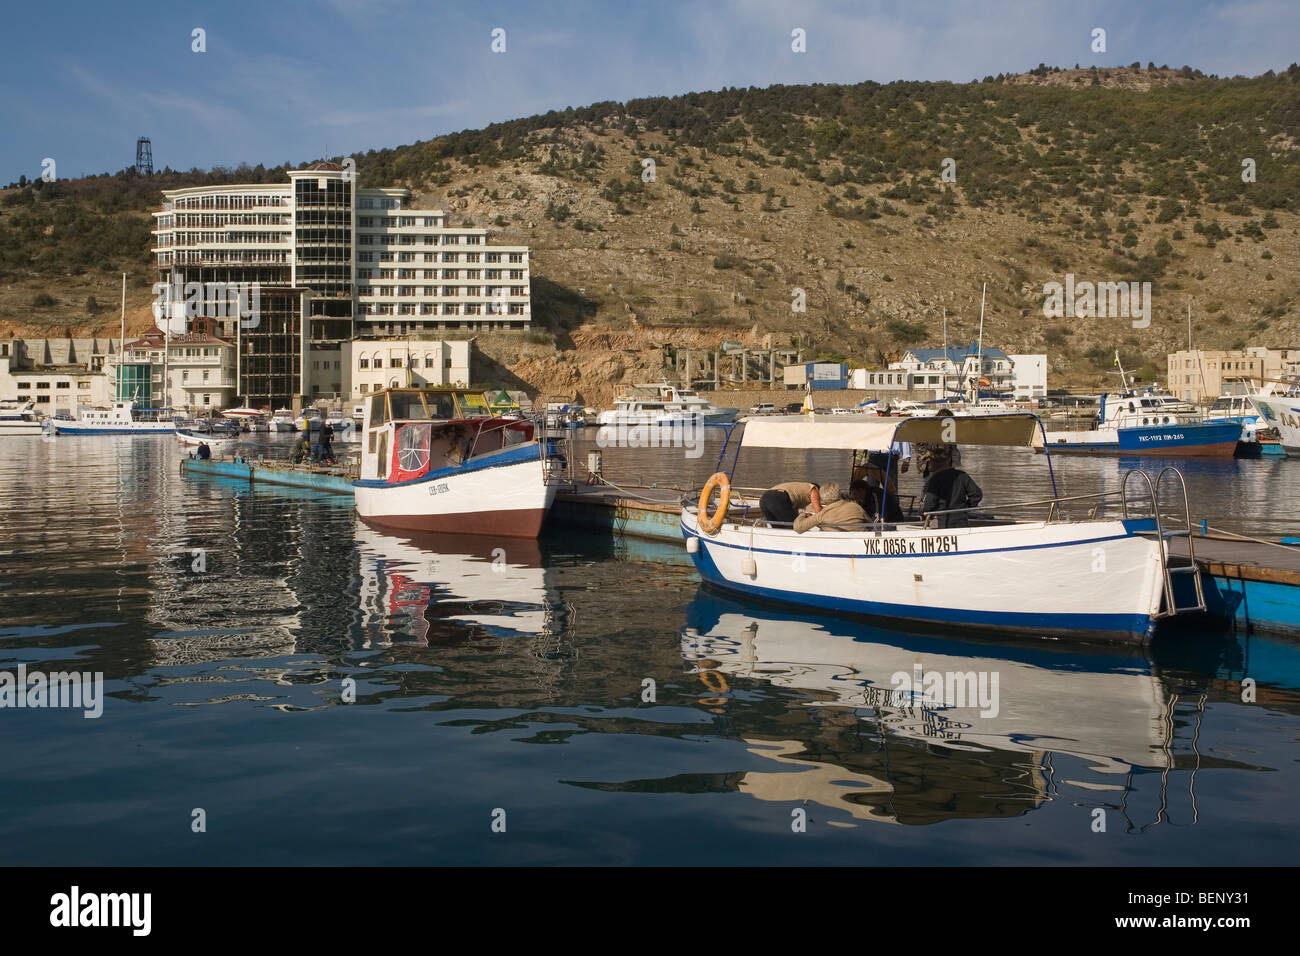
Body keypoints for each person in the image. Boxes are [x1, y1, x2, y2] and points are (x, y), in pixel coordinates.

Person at [920, 448, 982, 528]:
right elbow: (977, 494)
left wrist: (922, 512)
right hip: (962, 521)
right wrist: (965, 508)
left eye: (930, 462)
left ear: (935, 462)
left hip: (943, 522)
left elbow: (929, 504)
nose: (929, 464)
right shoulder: (962, 475)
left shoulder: (934, 480)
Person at [793, 481, 869, 533]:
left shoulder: (822, 515)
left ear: (822, 498)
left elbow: (798, 527)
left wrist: (803, 514)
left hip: (837, 545)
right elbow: (871, 524)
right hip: (860, 542)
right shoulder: (856, 507)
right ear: (839, 494)